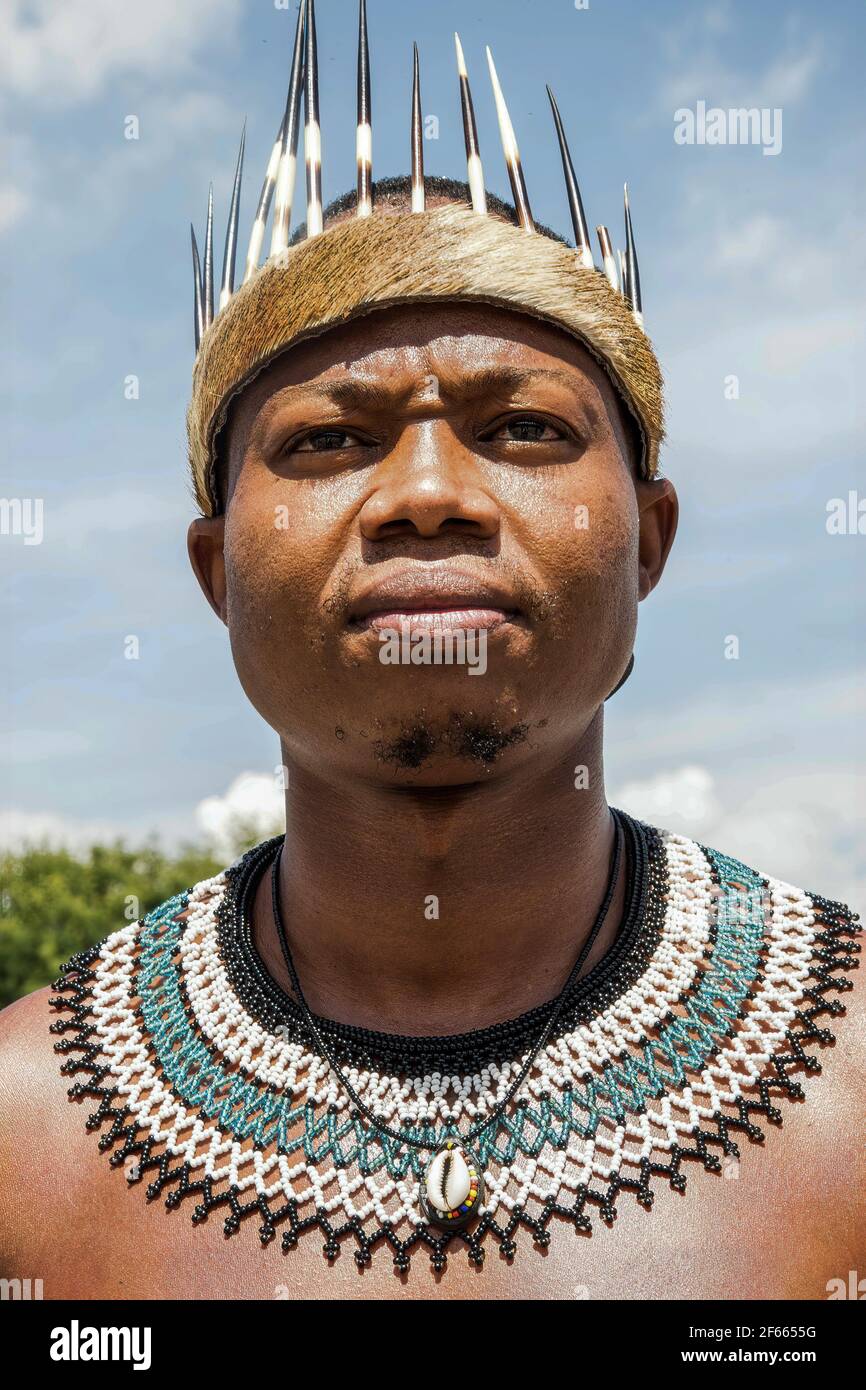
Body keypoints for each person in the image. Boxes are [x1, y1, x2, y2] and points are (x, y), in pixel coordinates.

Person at [0, 1, 861, 1301]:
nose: (423, 494)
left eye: (518, 426)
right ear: (216, 570)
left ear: (649, 540)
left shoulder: (848, 1076)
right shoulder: (27, 1140)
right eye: (327, 440)